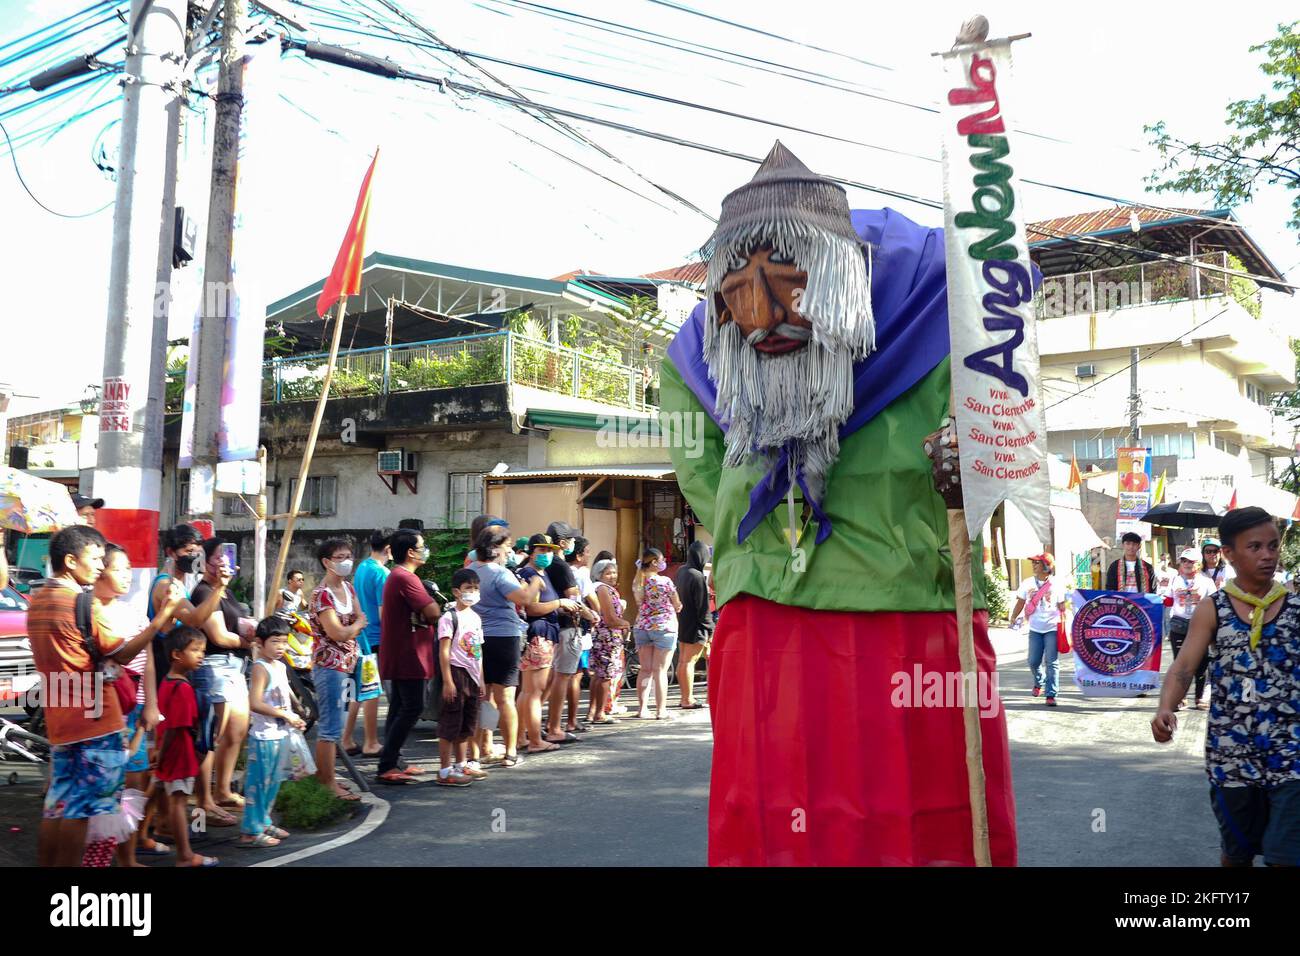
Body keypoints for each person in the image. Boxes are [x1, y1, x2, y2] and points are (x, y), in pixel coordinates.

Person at [659, 142, 1020, 865]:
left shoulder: (943, 313)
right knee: (778, 816)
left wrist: (955, 482)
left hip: (911, 610)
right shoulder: (694, 356)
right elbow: (701, 477)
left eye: (788, 287)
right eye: (740, 295)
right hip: (769, 621)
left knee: (922, 816)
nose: (765, 321)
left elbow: (997, 445)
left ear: (842, 275)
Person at [1152, 507, 1300, 867]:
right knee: (1237, 853)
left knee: (1286, 855)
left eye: (1272, 545)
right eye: (1254, 547)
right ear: (1229, 554)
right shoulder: (1213, 609)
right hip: (1231, 754)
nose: (1267, 555)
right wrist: (1165, 707)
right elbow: (1185, 666)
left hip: (1292, 752)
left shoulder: (1295, 607)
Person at [29, 526, 181, 867]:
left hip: (60, 717)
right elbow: (123, 653)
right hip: (96, 720)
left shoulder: (37, 600)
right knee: (81, 811)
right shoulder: (82, 602)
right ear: (70, 561)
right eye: (95, 559)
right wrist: (161, 620)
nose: (99, 566)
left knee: (57, 807)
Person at [92, 544, 177, 866]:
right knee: (106, 789)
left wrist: (151, 703)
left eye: (129, 569)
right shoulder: (90, 612)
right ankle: (102, 854)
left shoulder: (131, 611)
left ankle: (127, 856)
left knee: (135, 784)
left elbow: (148, 661)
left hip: (135, 707)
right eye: (119, 569)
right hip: (106, 711)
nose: (127, 576)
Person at [189, 539, 255, 825]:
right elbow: (217, 636)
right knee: (212, 735)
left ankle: (223, 789)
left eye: (227, 556)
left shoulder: (225, 592)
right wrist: (250, 641)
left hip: (235, 665)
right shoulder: (205, 591)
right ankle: (204, 802)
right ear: (206, 562)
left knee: (237, 731)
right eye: (219, 557)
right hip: (215, 665)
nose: (225, 562)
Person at [470, 528, 544, 768]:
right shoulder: (500, 573)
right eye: (508, 546)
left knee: (485, 696)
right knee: (506, 697)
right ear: (495, 549)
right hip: (504, 637)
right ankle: (511, 751)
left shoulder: (469, 571)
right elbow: (523, 599)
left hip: (477, 637)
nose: (510, 551)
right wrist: (535, 583)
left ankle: (483, 748)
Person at [375, 529, 441, 784]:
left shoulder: (398, 576)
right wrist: (428, 611)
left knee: (400, 707)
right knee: (412, 707)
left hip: (404, 651)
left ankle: (393, 760)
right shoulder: (406, 578)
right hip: (409, 653)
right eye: (422, 546)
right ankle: (387, 764)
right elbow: (432, 611)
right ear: (411, 552)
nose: (425, 550)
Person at [155, 626, 218, 867]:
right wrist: (162, 753)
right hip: (178, 754)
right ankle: (185, 855)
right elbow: (177, 727)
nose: (201, 655)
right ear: (176, 654)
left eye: (202, 650)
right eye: (195, 650)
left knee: (157, 795)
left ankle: (147, 835)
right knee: (179, 802)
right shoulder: (183, 689)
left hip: (165, 751)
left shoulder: (166, 682)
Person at [308, 537, 365, 800]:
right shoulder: (321, 595)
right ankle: (326, 782)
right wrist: (353, 628)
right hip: (330, 665)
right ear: (326, 562)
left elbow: (357, 619)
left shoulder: (348, 588)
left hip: (350, 663)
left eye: (348, 556)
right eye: (340, 557)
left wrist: (351, 629)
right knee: (330, 727)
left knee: (339, 723)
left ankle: (329, 778)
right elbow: (338, 631)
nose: (346, 561)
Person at [241, 616, 305, 847]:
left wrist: (296, 712)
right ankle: (250, 830)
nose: (281, 647)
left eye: (284, 641)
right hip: (263, 737)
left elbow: (286, 692)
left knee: (273, 783)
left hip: (280, 735)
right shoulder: (260, 668)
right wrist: (285, 715)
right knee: (258, 785)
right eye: (275, 642)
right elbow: (255, 703)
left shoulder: (279, 665)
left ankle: (263, 821)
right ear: (260, 642)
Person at [516, 534, 582, 752]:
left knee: (529, 692)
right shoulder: (530, 574)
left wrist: (563, 607)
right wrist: (559, 602)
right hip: (539, 634)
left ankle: (521, 737)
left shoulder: (542, 574)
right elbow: (531, 608)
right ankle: (535, 740)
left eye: (550, 550)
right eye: (541, 550)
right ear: (531, 552)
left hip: (546, 632)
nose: (547, 555)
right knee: (533, 692)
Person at [544, 524, 598, 740]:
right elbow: (574, 600)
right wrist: (591, 615)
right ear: (563, 543)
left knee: (548, 680)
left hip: (548, 626)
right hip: (567, 626)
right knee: (562, 677)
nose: (575, 544)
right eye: (572, 540)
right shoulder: (561, 566)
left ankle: (540, 725)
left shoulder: (544, 563)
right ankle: (555, 727)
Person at [435, 569, 487, 787]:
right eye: (468, 588)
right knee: (451, 721)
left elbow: (478, 651)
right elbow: (444, 651)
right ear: (457, 592)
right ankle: (445, 770)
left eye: (475, 588)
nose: (472, 592)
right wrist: (447, 680)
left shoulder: (475, 617)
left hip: (473, 676)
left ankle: (461, 763)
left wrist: (481, 678)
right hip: (456, 673)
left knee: (467, 722)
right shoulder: (449, 618)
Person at [346, 529, 392, 758]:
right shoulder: (382, 573)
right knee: (372, 690)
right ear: (389, 549)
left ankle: (346, 738)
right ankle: (371, 742)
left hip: (363, 634)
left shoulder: (363, 567)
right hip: (377, 636)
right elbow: (386, 613)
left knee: (361, 689)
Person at [1008, 553, 1069, 707]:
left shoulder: (1057, 584)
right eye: (1033, 563)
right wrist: (1014, 616)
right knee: (1033, 661)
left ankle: (1051, 694)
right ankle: (1039, 682)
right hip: (1035, 629)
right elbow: (1021, 602)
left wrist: (1065, 618)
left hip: (1052, 628)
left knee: (1051, 662)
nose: (1033, 565)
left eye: (1037, 563)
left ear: (1046, 566)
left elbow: (1062, 606)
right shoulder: (1027, 583)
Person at [632, 546, 681, 720]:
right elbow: (677, 603)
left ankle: (642, 709)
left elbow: (639, 602)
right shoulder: (665, 581)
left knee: (645, 670)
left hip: (642, 626)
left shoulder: (638, 581)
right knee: (660, 671)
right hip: (664, 627)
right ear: (654, 563)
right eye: (661, 561)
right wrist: (676, 607)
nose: (663, 564)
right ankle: (661, 710)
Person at [1163, 548, 1215, 710]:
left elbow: (1215, 603)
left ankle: (1200, 697)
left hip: (1200, 626)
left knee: (1201, 664)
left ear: (1198, 564)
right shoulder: (1175, 580)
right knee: (1180, 663)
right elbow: (1168, 602)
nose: (1187, 564)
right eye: (1184, 561)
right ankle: (1180, 697)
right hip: (1178, 625)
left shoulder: (1206, 582)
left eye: (1191, 562)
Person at [588, 558, 628, 724]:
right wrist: (625, 624)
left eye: (614, 572)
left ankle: (594, 712)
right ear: (599, 575)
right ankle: (599, 713)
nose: (612, 576)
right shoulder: (602, 589)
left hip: (604, 635)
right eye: (608, 573)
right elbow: (610, 618)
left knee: (599, 675)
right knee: (605, 675)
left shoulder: (605, 589)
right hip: (607, 637)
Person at [674, 540, 713, 709]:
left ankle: (685, 697)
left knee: (683, 661)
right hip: (697, 626)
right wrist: (710, 627)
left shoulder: (681, 571)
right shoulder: (697, 576)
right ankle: (688, 699)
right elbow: (702, 606)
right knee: (690, 662)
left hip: (683, 622)